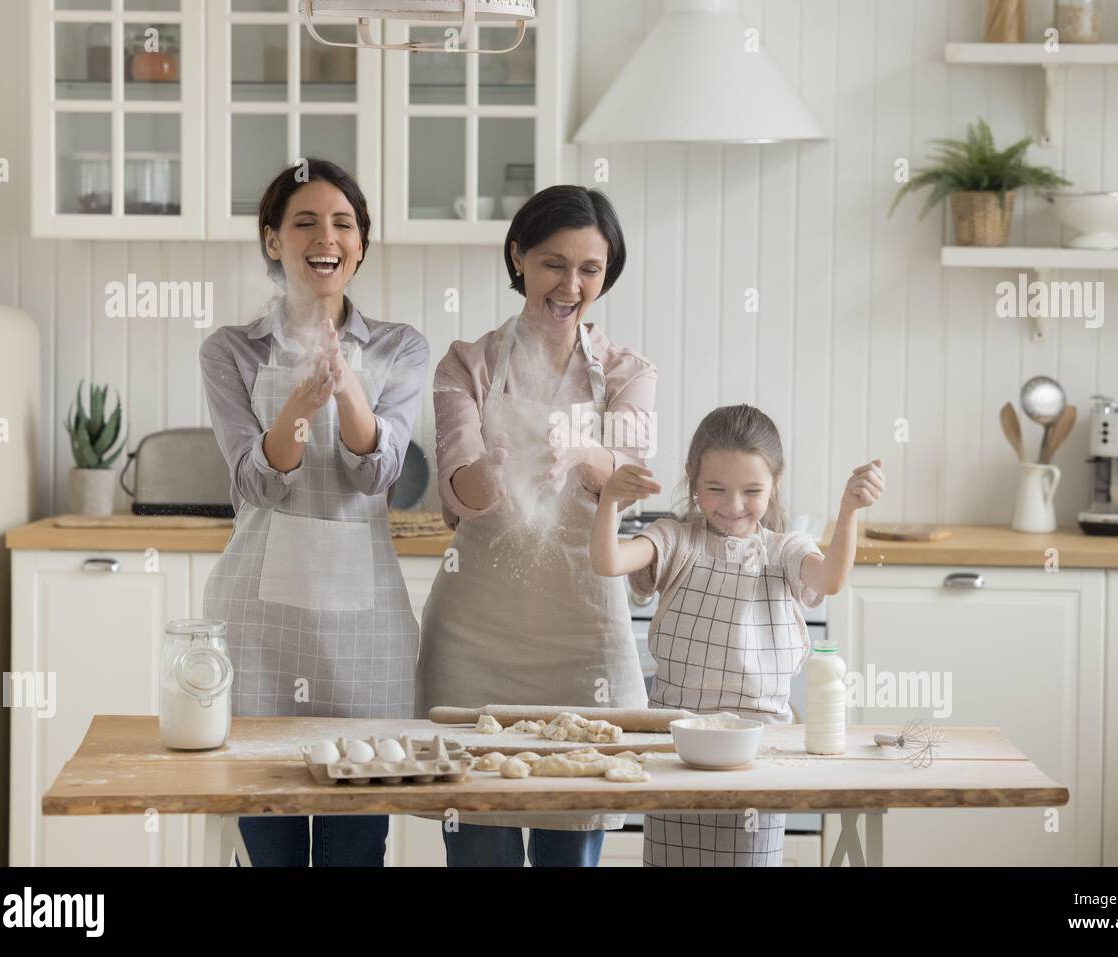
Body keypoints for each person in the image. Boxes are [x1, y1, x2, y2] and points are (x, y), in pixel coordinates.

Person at [417, 185, 655, 867]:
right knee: (480, 851)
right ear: (518, 256)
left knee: (571, 845)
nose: (570, 284)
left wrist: (585, 455)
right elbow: (463, 491)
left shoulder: (628, 374)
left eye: (590, 269)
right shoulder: (467, 364)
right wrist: (507, 456)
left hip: (586, 649)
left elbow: (626, 468)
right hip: (473, 644)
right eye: (554, 263)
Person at [199, 159, 428, 866]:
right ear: (273, 241)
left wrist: (348, 389)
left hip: (365, 631)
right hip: (259, 627)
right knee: (266, 843)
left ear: (360, 245)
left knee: (354, 847)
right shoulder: (231, 351)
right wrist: (298, 407)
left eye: (343, 223)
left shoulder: (399, 348)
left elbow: (378, 473)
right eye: (303, 221)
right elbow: (255, 484)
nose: (325, 236)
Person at [590, 403, 885, 866]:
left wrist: (848, 512)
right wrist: (609, 501)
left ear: (775, 485)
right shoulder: (674, 539)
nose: (733, 506)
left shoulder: (785, 550)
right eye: (715, 489)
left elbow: (829, 580)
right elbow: (608, 562)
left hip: (759, 742)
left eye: (752, 491)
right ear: (692, 481)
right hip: (678, 741)